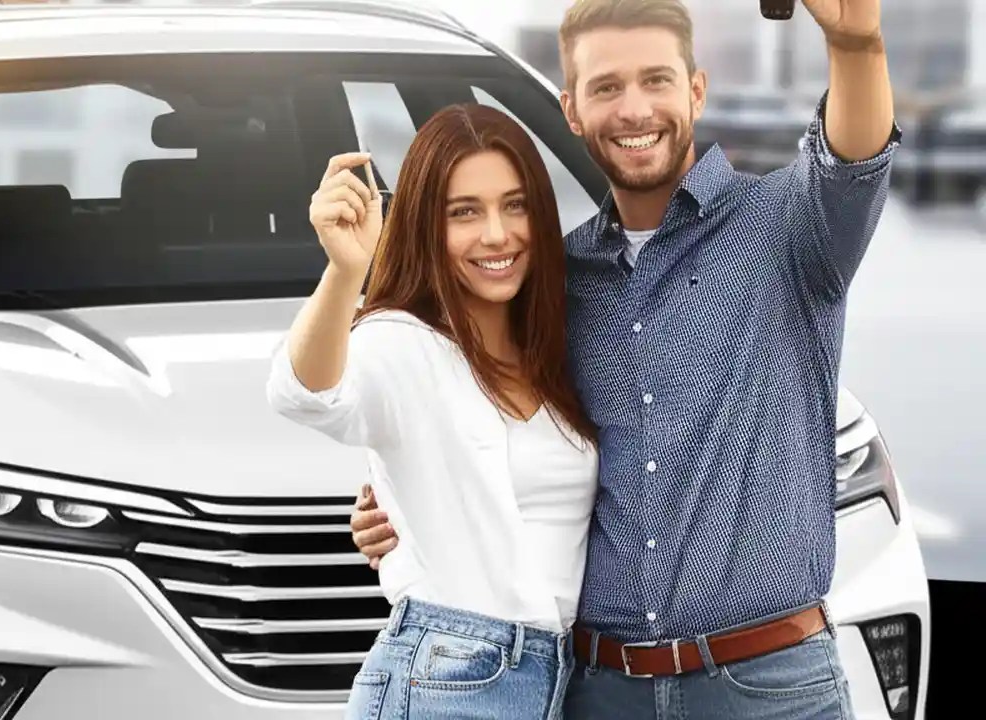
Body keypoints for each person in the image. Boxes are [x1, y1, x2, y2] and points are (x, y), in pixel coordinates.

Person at [347, 0, 898, 718]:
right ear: (572, 110)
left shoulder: (790, 230)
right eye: (606, 87)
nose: (634, 109)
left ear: (695, 91)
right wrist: (402, 504)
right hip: (597, 689)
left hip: (767, 688)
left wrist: (856, 44)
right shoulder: (551, 280)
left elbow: (853, 158)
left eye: (656, 81)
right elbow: (479, 418)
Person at [266, 103, 602, 718]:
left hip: (557, 680)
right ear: (427, 225)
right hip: (447, 678)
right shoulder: (402, 340)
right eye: (464, 212)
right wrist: (346, 272)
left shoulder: (559, 349)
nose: (497, 234)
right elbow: (304, 392)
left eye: (515, 204)